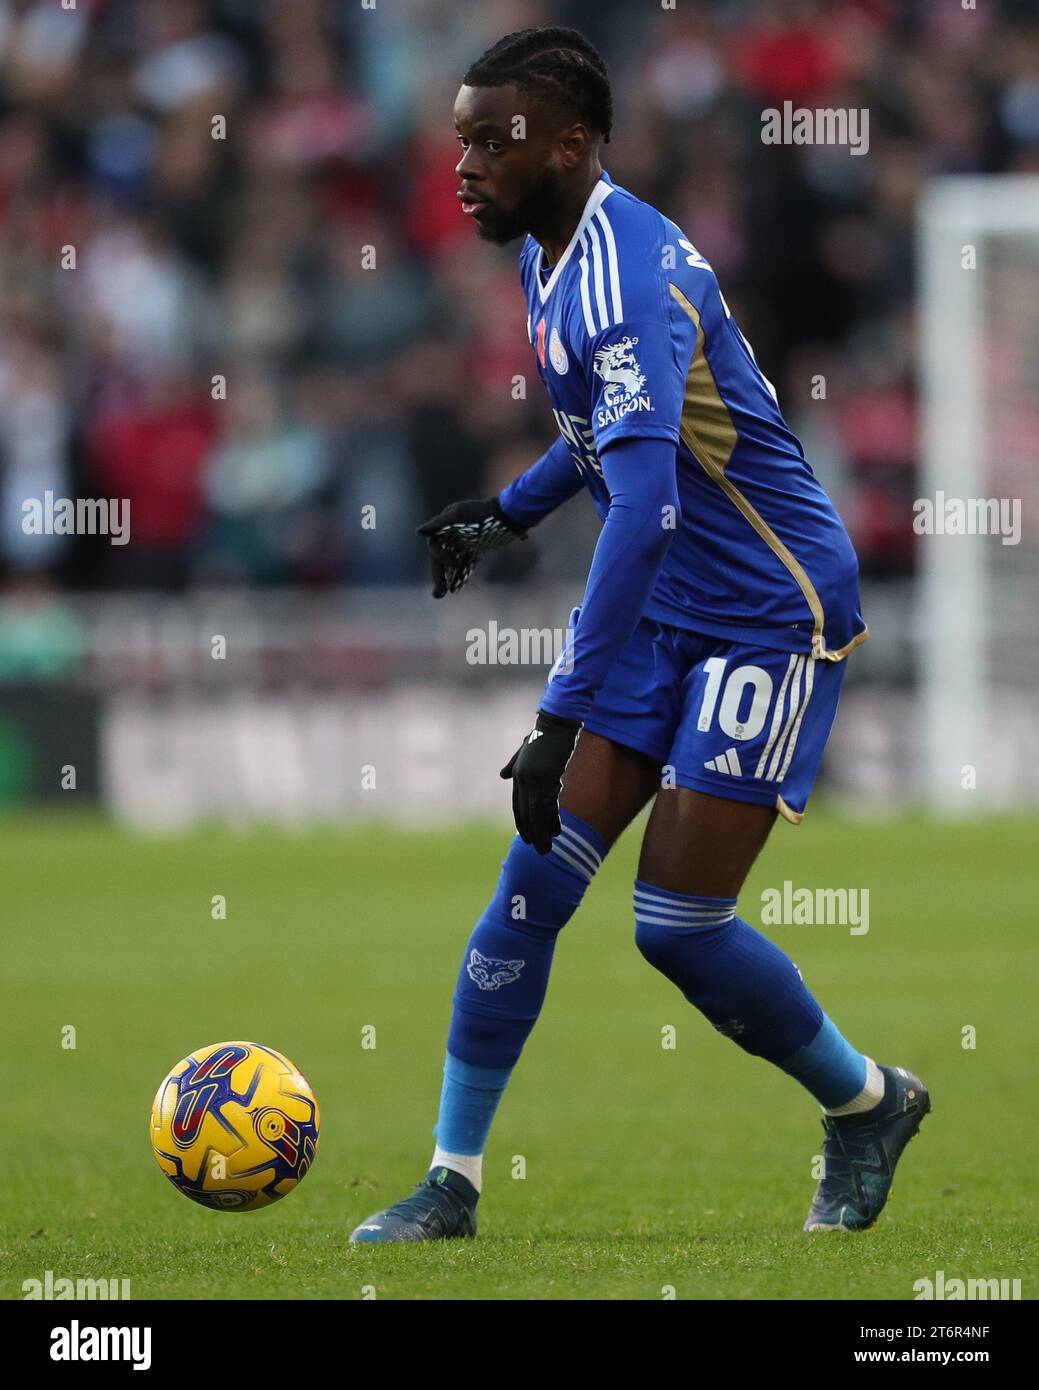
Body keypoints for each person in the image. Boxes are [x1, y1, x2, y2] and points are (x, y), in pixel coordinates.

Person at [351, 25, 929, 1244]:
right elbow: (606, 434)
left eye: (489, 141)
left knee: (672, 926)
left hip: (767, 607)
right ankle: (452, 1180)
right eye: (458, 140)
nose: (462, 166)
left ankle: (867, 1102)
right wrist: (505, 516)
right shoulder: (550, 251)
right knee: (528, 891)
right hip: (672, 600)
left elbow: (652, 502)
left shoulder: (619, 272)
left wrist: (556, 716)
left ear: (569, 143)